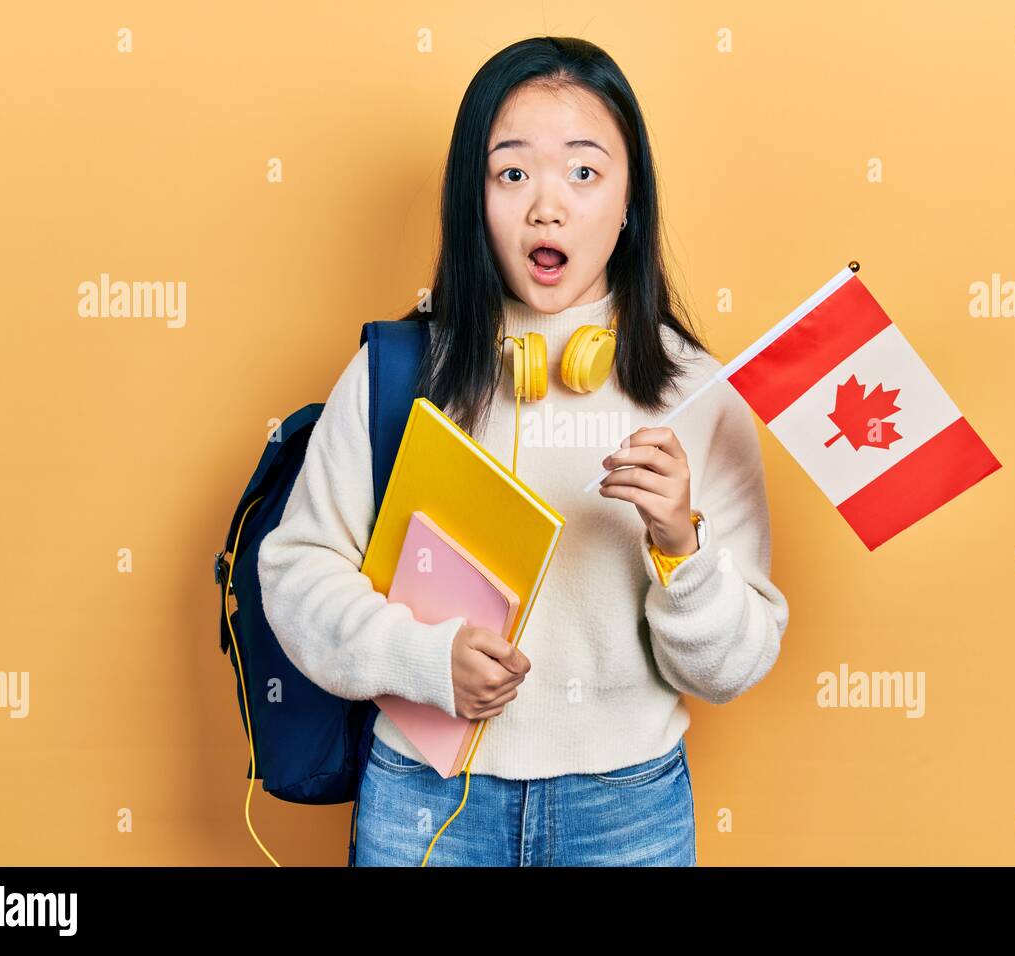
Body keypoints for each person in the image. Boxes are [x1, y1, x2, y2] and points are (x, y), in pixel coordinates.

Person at [257, 35, 790, 867]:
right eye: (513, 173)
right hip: (424, 796)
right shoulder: (401, 371)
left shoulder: (698, 391)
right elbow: (294, 577)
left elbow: (733, 666)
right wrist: (424, 661)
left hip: (628, 810)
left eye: (584, 172)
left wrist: (681, 548)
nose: (548, 207)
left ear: (629, 203)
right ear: (476, 199)